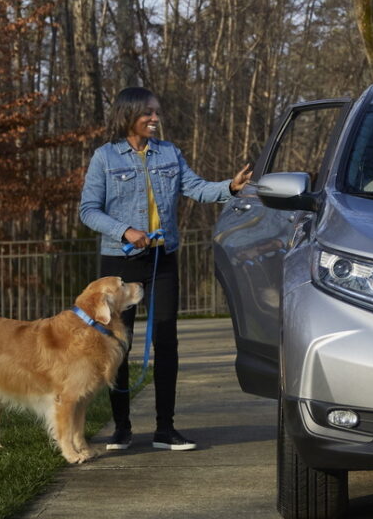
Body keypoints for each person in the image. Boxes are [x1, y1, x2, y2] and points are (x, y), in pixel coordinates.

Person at [78, 87, 251, 451]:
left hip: (163, 259)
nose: (155, 119)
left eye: (156, 112)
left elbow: (195, 187)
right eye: (148, 113)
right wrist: (124, 230)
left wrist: (230, 188)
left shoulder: (170, 153)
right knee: (118, 345)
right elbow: (88, 210)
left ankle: (164, 429)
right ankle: (122, 429)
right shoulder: (105, 158)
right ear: (129, 116)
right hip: (119, 263)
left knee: (166, 341)